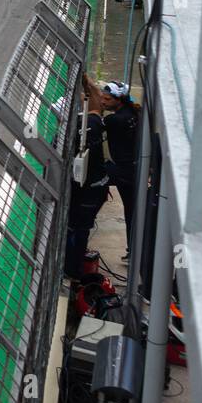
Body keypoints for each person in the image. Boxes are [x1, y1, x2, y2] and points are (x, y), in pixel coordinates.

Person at [86, 76, 141, 261]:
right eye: (102, 97)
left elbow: (94, 115)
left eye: (107, 99)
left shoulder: (115, 120)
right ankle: (134, 250)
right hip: (132, 170)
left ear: (119, 100)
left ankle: (85, 221)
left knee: (92, 182)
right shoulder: (132, 113)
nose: (103, 101)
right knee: (131, 211)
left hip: (125, 171)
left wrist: (91, 89)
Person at [65, 80, 111, 279]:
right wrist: (86, 79)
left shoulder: (85, 127)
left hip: (88, 191)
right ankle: (73, 266)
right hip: (97, 187)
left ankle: (72, 270)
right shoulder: (94, 122)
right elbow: (95, 98)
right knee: (80, 227)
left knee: (76, 229)